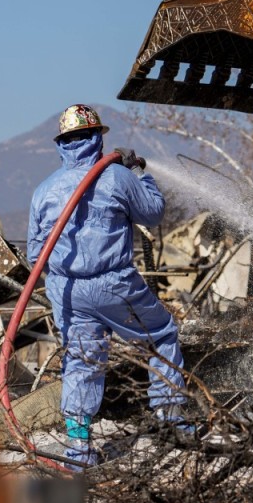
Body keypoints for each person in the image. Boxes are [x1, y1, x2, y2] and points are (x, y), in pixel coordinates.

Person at [27, 104, 188, 468]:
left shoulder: (44, 190)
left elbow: (36, 254)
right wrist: (139, 172)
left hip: (68, 291)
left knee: (82, 362)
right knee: (161, 335)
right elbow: (153, 214)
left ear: (62, 144)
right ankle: (172, 423)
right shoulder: (118, 178)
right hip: (114, 284)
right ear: (98, 137)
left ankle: (79, 452)